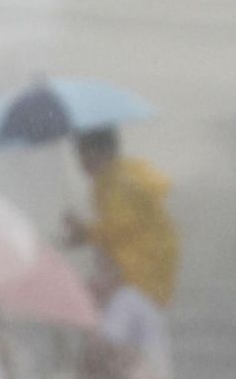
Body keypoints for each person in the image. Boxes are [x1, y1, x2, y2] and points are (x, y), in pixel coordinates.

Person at [63, 128, 179, 309]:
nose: (81, 161)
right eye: (79, 153)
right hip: (147, 275)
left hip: (137, 276)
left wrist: (85, 233)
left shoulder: (118, 183)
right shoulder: (119, 177)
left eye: (85, 153)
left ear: (104, 152)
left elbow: (119, 229)